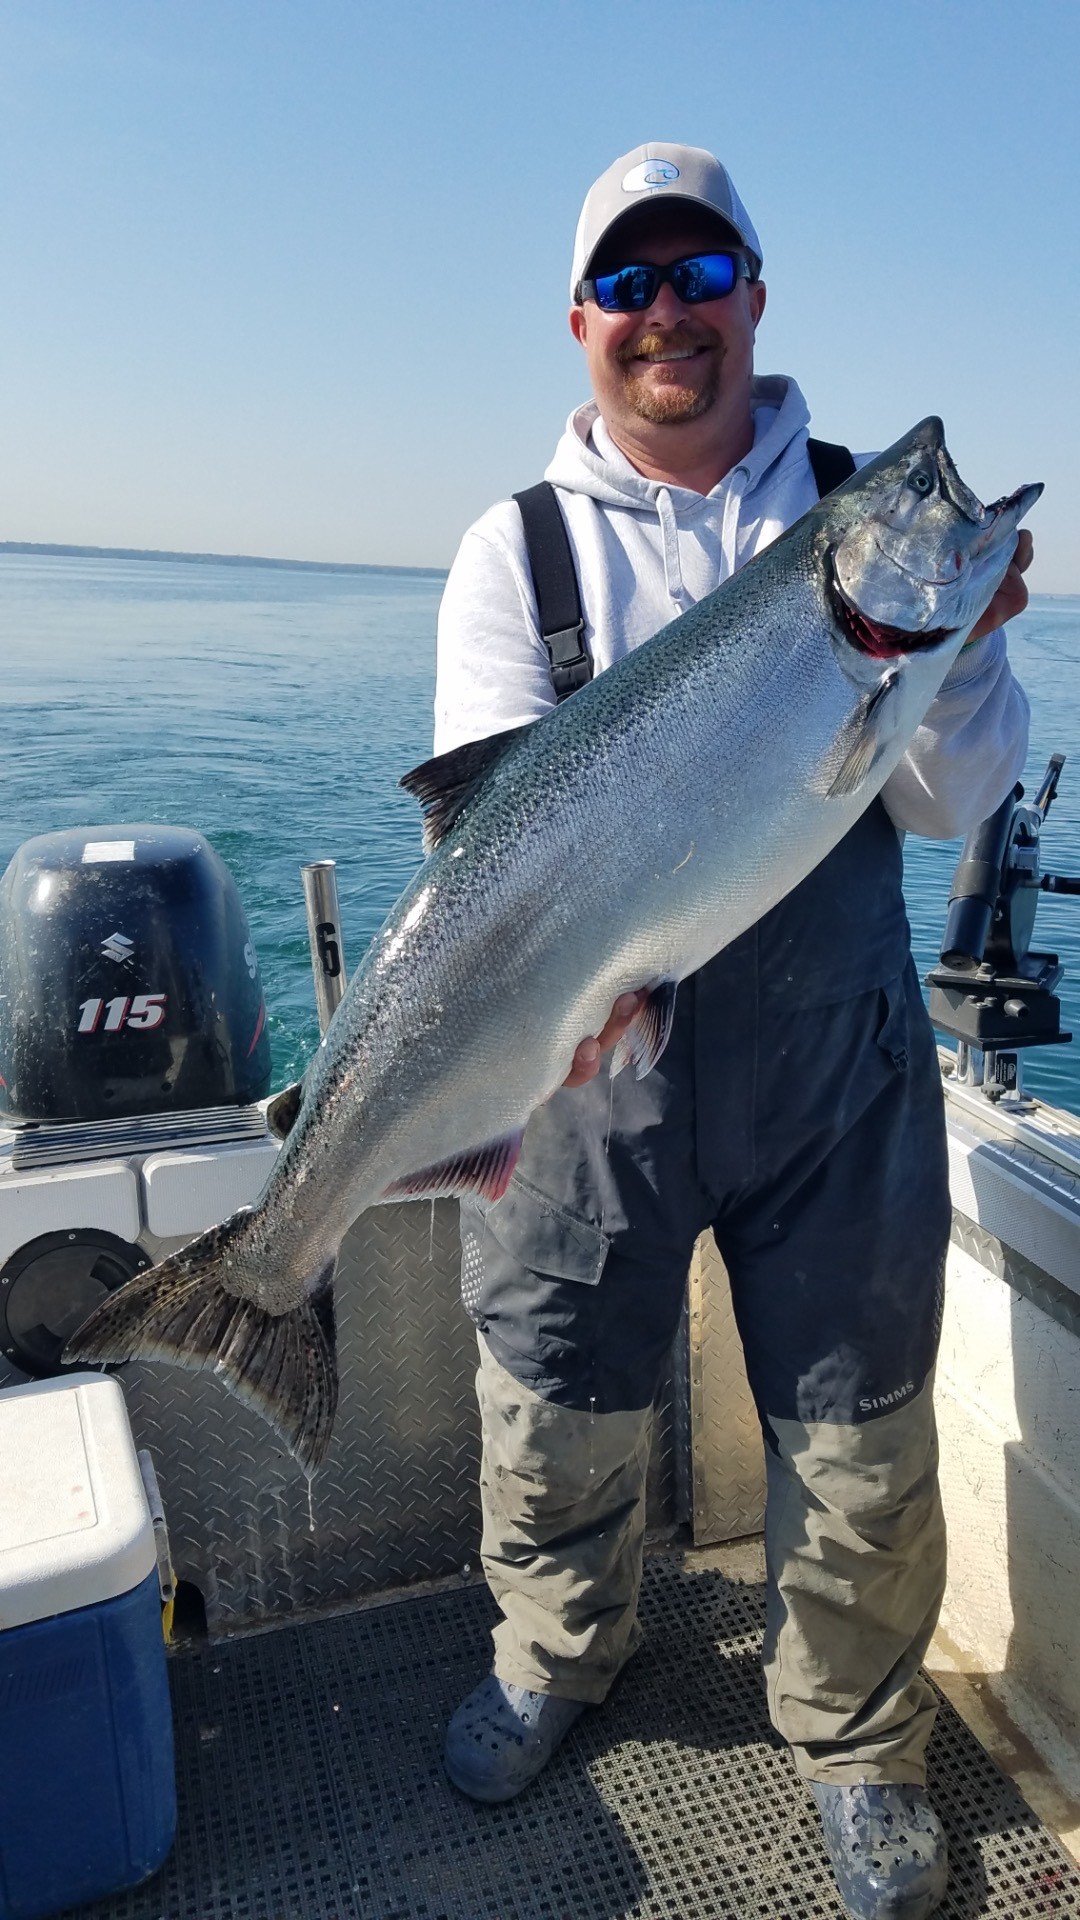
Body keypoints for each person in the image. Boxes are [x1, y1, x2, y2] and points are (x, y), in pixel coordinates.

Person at [433, 143, 1032, 1920]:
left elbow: (944, 803)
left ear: (757, 296)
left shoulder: (855, 517)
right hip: (587, 1063)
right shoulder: (511, 552)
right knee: (555, 1396)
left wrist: (961, 649)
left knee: (860, 1423)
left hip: (831, 1065)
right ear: (581, 326)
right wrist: (552, 1009)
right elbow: (485, 853)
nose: (665, 312)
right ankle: (554, 1653)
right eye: (628, 285)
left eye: (699, 273)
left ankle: (857, 1739)